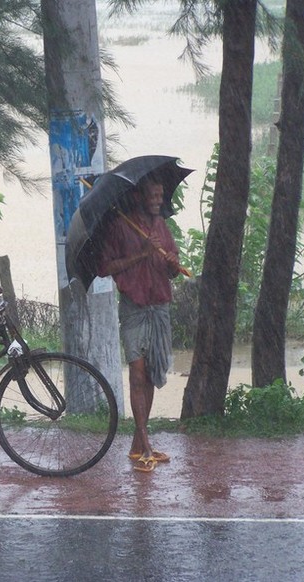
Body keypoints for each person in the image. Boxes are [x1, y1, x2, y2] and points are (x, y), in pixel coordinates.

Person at [97, 176, 181, 473]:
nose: (159, 199)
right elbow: (105, 267)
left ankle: (137, 443)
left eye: (161, 194)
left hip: (159, 307)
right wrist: (141, 253)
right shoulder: (121, 226)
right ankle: (145, 445)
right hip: (134, 309)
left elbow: (172, 271)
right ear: (139, 197)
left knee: (152, 375)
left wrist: (172, 265)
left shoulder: (161, 226)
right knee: (137, 374)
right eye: (154, 195)